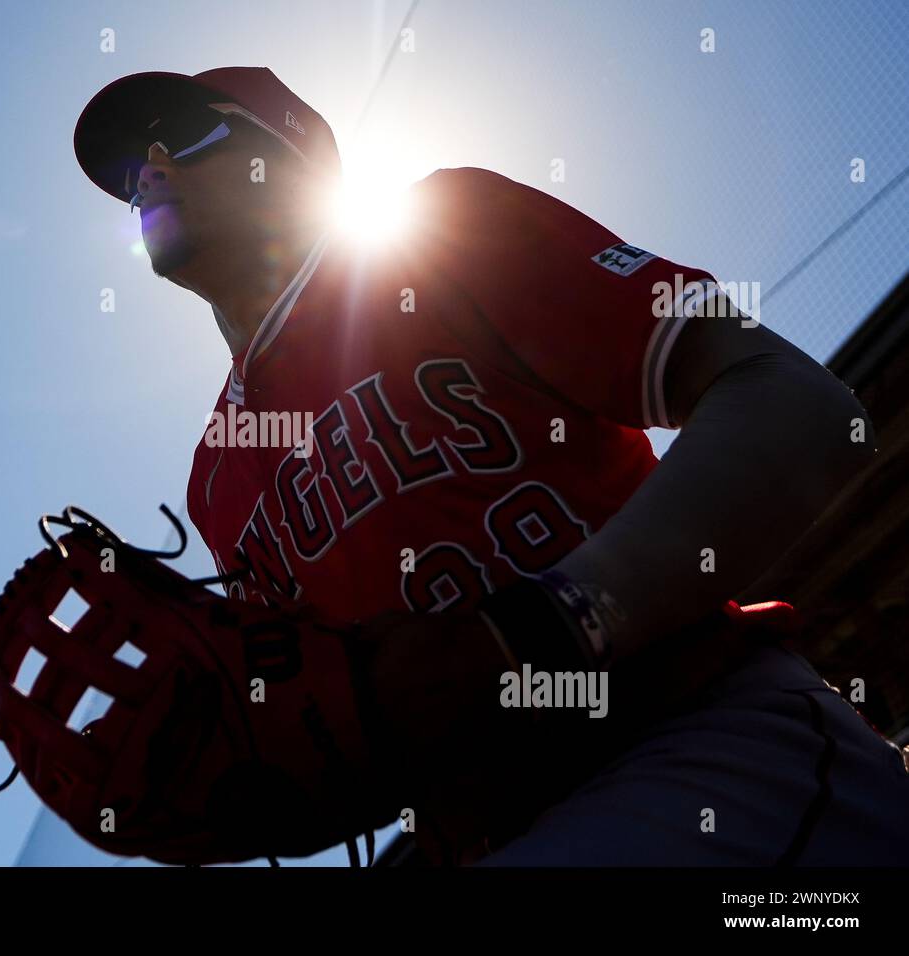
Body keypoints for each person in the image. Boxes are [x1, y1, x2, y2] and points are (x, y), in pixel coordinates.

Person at [71, 66, 909, 864]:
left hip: (703, 746)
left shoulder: (438, 236)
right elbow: (339, 721)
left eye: (181, 136)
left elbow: (805, 407)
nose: (146, 171)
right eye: (128, 169)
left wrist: (543, 630)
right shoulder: (212, 478)